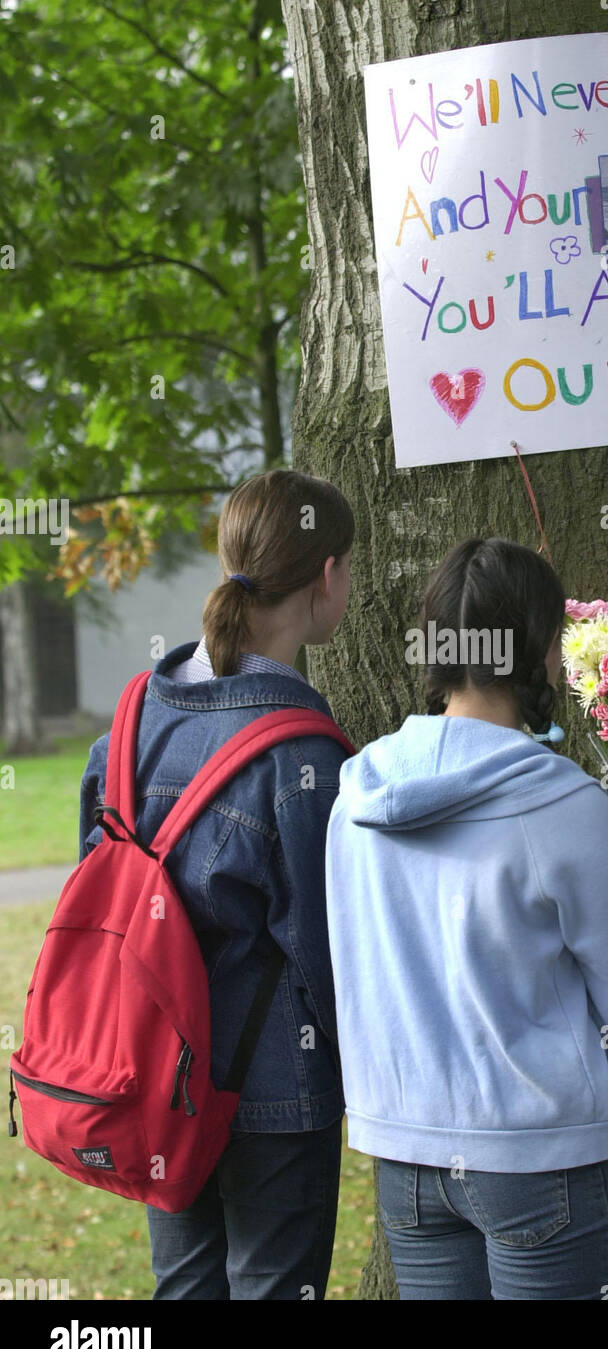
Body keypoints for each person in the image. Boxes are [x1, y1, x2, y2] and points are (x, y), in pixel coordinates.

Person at [325, 538, 608, 1300]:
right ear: (542, 649)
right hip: (544, 1148)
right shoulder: (564, 803)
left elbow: (355, 960)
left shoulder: (354, 799)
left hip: (408, 1153)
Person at [78, 469, 355, 1300]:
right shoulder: (302, 755)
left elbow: (108, 904)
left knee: (186, 1285)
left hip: (154, 1072)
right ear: (328, 577)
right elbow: (323, 952)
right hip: (274, 1087)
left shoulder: (129, 724)